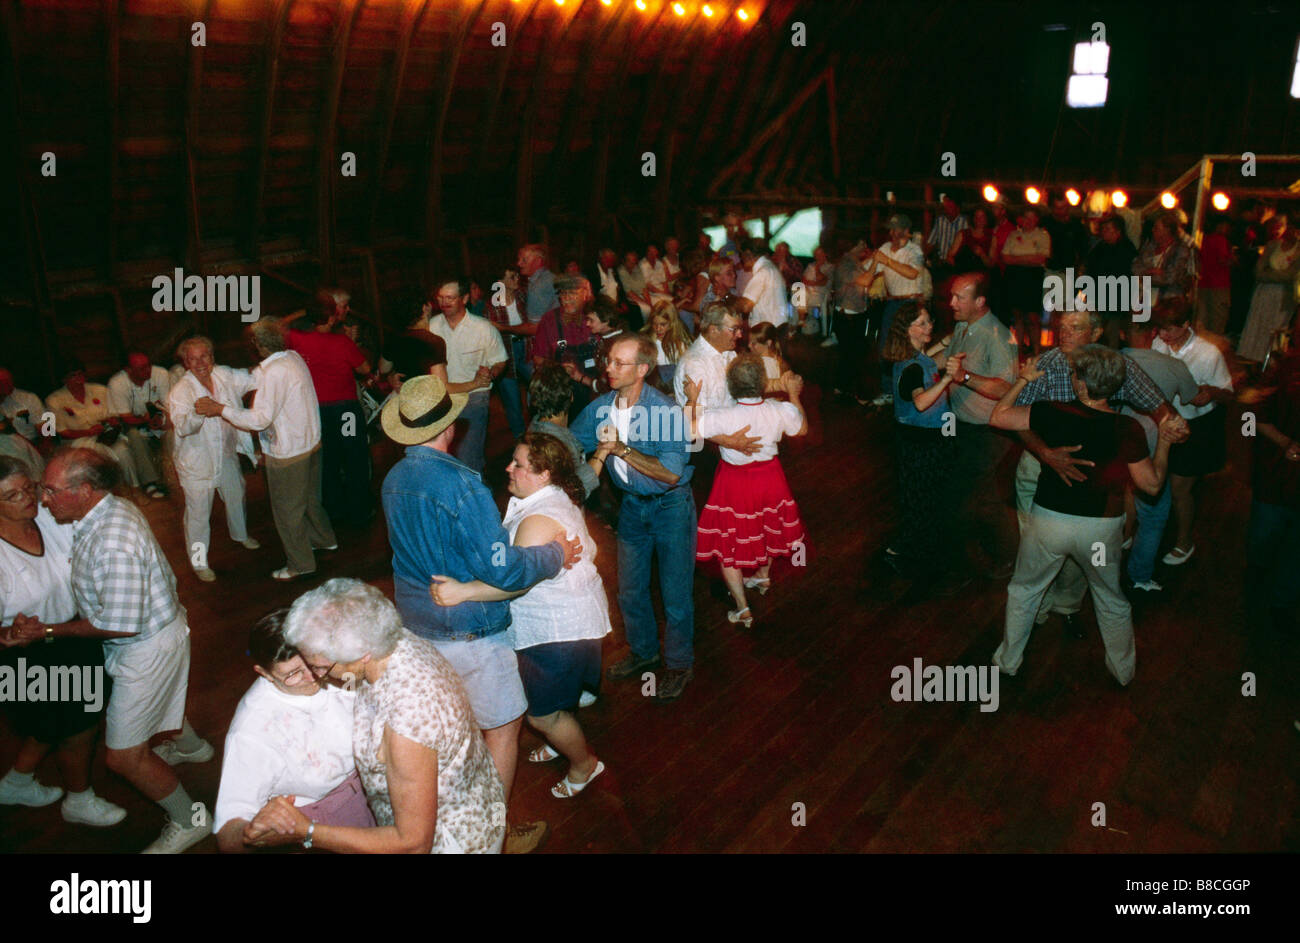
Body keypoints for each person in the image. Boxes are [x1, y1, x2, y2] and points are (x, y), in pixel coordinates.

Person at [379, 374, 581, 853]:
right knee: (502, 729)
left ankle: (443, 824)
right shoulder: (462, 487)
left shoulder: (393, 480)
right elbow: (505, 570)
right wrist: (555, 555)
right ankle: (491, 835)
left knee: (448, 733)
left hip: (417, 626)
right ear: (449, 427)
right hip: (470, 633)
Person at [34, 448, 213, 853]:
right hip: (159, 632)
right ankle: (192, 747)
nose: (45, 500)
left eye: (51, 491)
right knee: (159, 697)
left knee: (123, 758)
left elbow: (116, 623)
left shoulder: (112, 540)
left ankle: (193, 820)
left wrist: (48, 630)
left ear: (84, 490)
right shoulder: (106, 510)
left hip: (145, 647)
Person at [244, 579, 507, 853]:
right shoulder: (393, 637)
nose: (317, 676)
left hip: (454, 841)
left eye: (321, 667)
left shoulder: (406, 725)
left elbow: (413, 843)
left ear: (362, 655)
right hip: (477, 796)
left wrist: (305, 831)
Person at [429, 433, 611, 798]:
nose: (508, 468)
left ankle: (585, 764)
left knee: (541, 714)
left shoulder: (539, 520)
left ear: (544, 475)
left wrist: (462, 591)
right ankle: (562, 739)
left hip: (560, 632)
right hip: (571, 622)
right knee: (555, 701)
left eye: (519, 465)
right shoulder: (552, 498)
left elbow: (514, 584)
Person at [989, 346, 1180, 686]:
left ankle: (1008, 662)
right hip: (1100, 530)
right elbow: (1151, 486)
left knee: (1025, 589)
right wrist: (1164, 444)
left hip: (1048, 522)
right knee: (1110, 599)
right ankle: (1122, 673)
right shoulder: (1128, 427)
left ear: (1080, 384)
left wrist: (1023, 380)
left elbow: (999, 416)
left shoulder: (1051, 412)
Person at [0, 456, 125, 827]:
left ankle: (15, 782)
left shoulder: (47, 518)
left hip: (70, 635)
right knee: (77, 727)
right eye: (11, 495)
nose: (27, 499)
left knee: (53, 722)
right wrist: (7, 634)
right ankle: (79, 799)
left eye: (29, 488)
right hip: (28, 656)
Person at [572, 336, 697, 703]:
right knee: (629, 589)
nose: (608, 368)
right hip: (631, 507)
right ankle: (644, 652)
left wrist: (619, 449)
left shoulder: (665, 412)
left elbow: (672, 473)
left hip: (670, 506)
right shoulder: (599, 409)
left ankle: (678, 664)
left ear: (643, 369)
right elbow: (570, 439)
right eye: (608, 361)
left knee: (675, 593)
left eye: (619, 363)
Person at [214, 609, 374, 852]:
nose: (311, 677)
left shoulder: (334, 664)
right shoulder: (253, 730)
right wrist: (252, 830)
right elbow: (228, 833)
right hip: (327, 814)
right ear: (264, 673)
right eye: (292, 674)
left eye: (312, 664)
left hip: (376, 780)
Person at [196, 318, 337, 581]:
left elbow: (260, 418)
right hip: (310, 443)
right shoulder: (292, 358)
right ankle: (324, 540)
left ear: (258, 344)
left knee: (287, 513)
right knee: (309, 501)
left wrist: (220, 409)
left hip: (289, 453)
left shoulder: (273, 372)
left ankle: (301, 564)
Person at [686, 355, 808, 628]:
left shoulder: (723, 416)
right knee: (768, 526)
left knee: (729, 541)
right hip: (771, 477)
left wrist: (692, 399)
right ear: (763, 383)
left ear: (731, 386)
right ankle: (763, 576)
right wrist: (792, 395)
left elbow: (688, 432)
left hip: (735, 483)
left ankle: (742, 608)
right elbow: (801, 429)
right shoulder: (780, 409)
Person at [942, 272, 1018, 579]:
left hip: (987, 432)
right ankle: (987, 552)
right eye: (952, 296)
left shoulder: (998, 336)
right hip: (961, 424)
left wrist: (965, 378)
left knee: (979, 497)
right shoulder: (964, 326)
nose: (951, 303)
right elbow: (947, 363)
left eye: (960, 297)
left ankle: (1004, 556)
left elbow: (1006, 388)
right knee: (972, 493)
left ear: (980, 302)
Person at [167, 336, 260, 582]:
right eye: (193, 358)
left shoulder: (224, 375)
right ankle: (199, 562)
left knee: (236, 494)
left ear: (212, 356)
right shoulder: (181, 390)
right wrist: (199, 413)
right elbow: (183, 427)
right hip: (197, 462)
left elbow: (253, 378)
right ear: (185, 362)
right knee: (198, 514)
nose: (200, 363)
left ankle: (240, 535)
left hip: (226, 454)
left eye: (204, 356)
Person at [1119, 317, 1200, 593]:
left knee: (1118, 499)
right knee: (1153, 515)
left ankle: (1118, 546)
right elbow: (1193, 397)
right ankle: (1139, 576)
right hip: (1150, 444)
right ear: (1153, 332)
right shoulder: (1174, 365)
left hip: (1114, 442)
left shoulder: (1110, 360)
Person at [1152, 300, 1234, 567]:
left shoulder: (1208, 354)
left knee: (1180, 488)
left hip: (1196, 426)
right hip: (1165, 421)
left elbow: (1229, 394)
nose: (1163, 336)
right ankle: (1154, 532)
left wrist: (1209, 392)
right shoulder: (1158, 344)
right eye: (1160, 329)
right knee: (1156, 481)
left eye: (1170, 330)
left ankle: (1185, 541)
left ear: (1186, 325)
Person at [880, 302, 957, 576]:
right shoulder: (911, 367)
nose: (929, 327)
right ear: (907, 329)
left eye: (929, 321)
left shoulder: (913, 358)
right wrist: (948, 378)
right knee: (921, 500)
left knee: (920, 498)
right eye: (922, 324)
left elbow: (928, 360)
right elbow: (922, 402)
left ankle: (910, 550)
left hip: (918, 441)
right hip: (921, 444)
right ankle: (901, 553)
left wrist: (945, 343)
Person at [287, 293, 372, 528]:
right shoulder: (342, 342)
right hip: (345, 410)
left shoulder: (296, 338)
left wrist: (305, 312)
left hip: (317, 411)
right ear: (332, 316)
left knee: (329, 460)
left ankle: (333, 509)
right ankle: (360, 510)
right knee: (354, 456)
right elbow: (365, 368)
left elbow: (277, 327)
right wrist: (353, 343)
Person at [428, 278, 509, 474]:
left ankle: (477, 493)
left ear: (464, 299)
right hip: (441, 397)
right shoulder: (432, 326)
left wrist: (491, 373)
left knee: (468, 455)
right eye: (440, 298)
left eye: (450, 298)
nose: (444, 303)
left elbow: (500, 361)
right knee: (442, 456)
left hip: (474, 396)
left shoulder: (483, 328)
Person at [1246, 348, 1300, 631]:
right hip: (1277, 478)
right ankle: (1254, 590)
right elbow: (1254, 419)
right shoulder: (1285, 370)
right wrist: (1286, 444)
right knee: (1263, 539)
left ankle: (1282, 604)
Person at [45, 362, 135, 484]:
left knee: (123, 450)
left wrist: (111, 422)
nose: (78, 379)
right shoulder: (53, 400)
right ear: (64, 380)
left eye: (80, 374)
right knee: (99, 454)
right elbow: (62, 432)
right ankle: (114, 490)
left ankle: (134, 487)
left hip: (107, 436)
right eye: (73, 376)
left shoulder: (100, 390)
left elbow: (114, 416)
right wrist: (88, 432)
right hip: (78, 441)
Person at [870, 215, 926, 404]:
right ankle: (888, 391)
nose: (892, 233)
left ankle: (914, 391)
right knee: (886, 346)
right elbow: (871, 268)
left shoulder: (914, 250)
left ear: (905, 230)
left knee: (911, 347)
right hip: (892, 303)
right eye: (891, 229)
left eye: (896, 229)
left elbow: (912, 273)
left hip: (911, 303)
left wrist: (886, 261)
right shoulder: (885, 248)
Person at [527, 365, 600, 500]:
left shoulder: (536, 425)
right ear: (571, 397)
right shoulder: (557, 444)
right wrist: (603, 451)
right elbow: (577, 490)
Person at [106, 353, 172, 500]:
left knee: (173, 432)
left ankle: (174, 478)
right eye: (142, 368)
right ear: (128, 370)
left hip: (158, 418)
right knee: (135, 435)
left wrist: (162, 420)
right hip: (132, 424)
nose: (148, 370)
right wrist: (145, 420)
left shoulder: (161, 373)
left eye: (148, 365)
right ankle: (150, 483)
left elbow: (168, 405)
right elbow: (125, 417)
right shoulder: (117, 383)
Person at [1237, 214, 1300, 362]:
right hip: (1264, 292)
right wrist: (1274, 275)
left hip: (1284, 295)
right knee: (1259, 322)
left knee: (1276, 326)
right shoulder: (1273, 246)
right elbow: (1258, 271)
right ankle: (1251, 356)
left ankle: (1270, 358)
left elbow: (1291, 274)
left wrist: (1270, 274)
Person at [484, 267, 530, 439]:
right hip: (505, 353)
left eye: (517, 275)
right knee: (512, 400)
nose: (517, 279)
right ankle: (520, 437)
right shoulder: (491, 306)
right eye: (512, 276)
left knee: (537, 386)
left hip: (525, 348)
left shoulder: (523, 297)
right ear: (500, 283)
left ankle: (537, 430)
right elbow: (489, 336)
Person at [1000, 207, 1051, 354]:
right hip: (1015, 277)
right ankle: (1019, 350)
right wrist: (1028, 258)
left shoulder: (1043, 235)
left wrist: (1017, 259)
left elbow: (1040, 259)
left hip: (1033, 278)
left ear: (1036, 219)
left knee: (1033, 316)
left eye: (1031, 218)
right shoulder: (1013, 235)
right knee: (1017, 315)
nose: (1028, 221)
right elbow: (1005, 257)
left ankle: (1036, 351)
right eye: (1026, 218)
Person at [736, 237, 789, 330]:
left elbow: (745, 306)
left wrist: (728, 299)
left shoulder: (762, 273)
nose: (740, 258)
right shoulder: (770, 267)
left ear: (748, 254)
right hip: (778, 324)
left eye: (741, 254)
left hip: (768, 327)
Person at [644, 300, 692, 389]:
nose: (658, 329)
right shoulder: (647, 342)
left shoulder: (680, 344)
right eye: (654, 324)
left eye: (663, 324)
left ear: (672, 323)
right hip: (655, 385)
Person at [0, 367, 45, 446]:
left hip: (30, 444)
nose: (6, 384)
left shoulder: (28, 398)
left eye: (8, 380)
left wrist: (45, 446)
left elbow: (44, 427)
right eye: (2, 382)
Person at [518, 243, 557, 327]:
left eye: (524, 260)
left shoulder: (538, 286)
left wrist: (505, 328)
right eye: (519, 259)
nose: (519, 263)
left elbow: (534, 328)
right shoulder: (550, 277)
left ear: (538, 262)